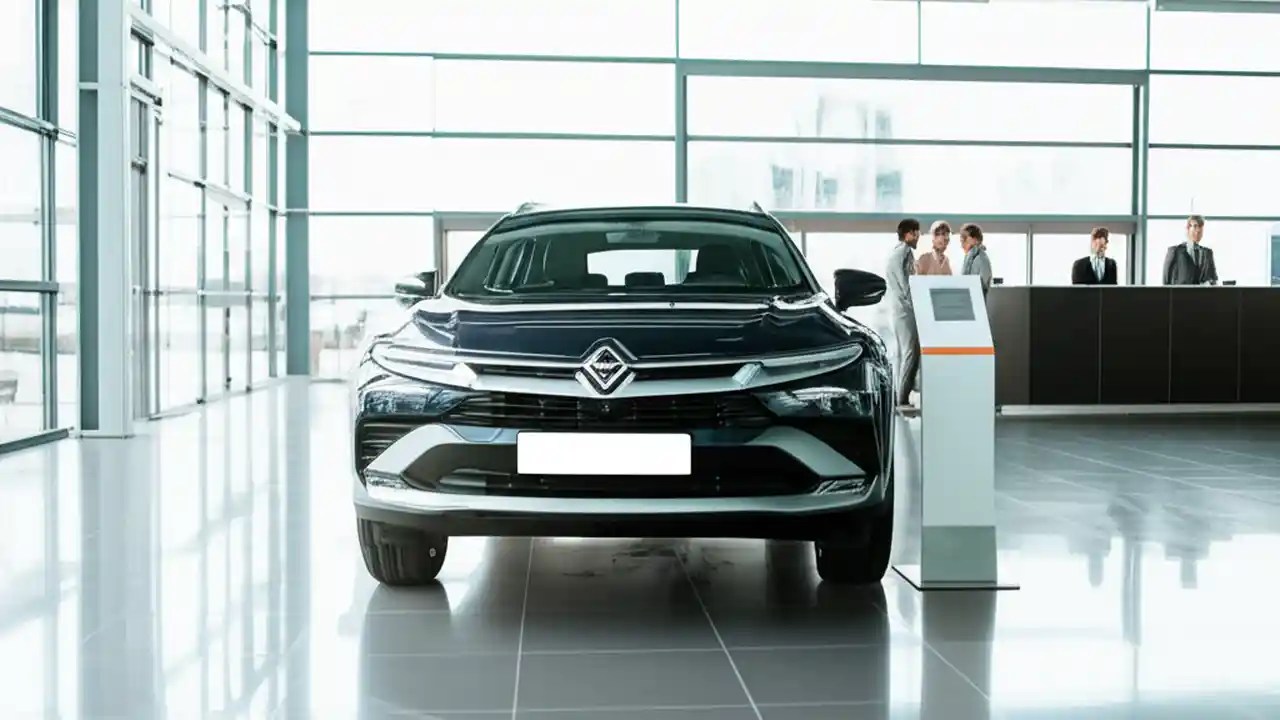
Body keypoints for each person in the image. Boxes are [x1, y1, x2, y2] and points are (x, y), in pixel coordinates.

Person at [886, 218, 922, 411]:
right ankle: (902, 399)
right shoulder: (905, 252)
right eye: (917, 233)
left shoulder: (895, 252)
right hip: (906, 310)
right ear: (908, 234)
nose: (918, 237)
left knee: (902, 354)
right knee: (911, 353)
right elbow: (905, 284)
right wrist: (917, 305)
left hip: (897, 310)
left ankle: (899, 397)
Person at [1162, 214, 1218, 286]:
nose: (1198, 230)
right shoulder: (1175, 251)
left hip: (1202, 295)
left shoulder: (1208, 253)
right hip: (1181, 295)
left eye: (1200, 227)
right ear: (1188, 228)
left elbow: (1213, 278)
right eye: (1195, 226)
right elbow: (1166, 279)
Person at [960, 223, 992, 296]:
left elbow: (982, 288)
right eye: (961, 240)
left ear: (975, 239)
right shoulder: (970, 258)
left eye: (964, 238)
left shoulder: (981, 259)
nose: (962, 244)